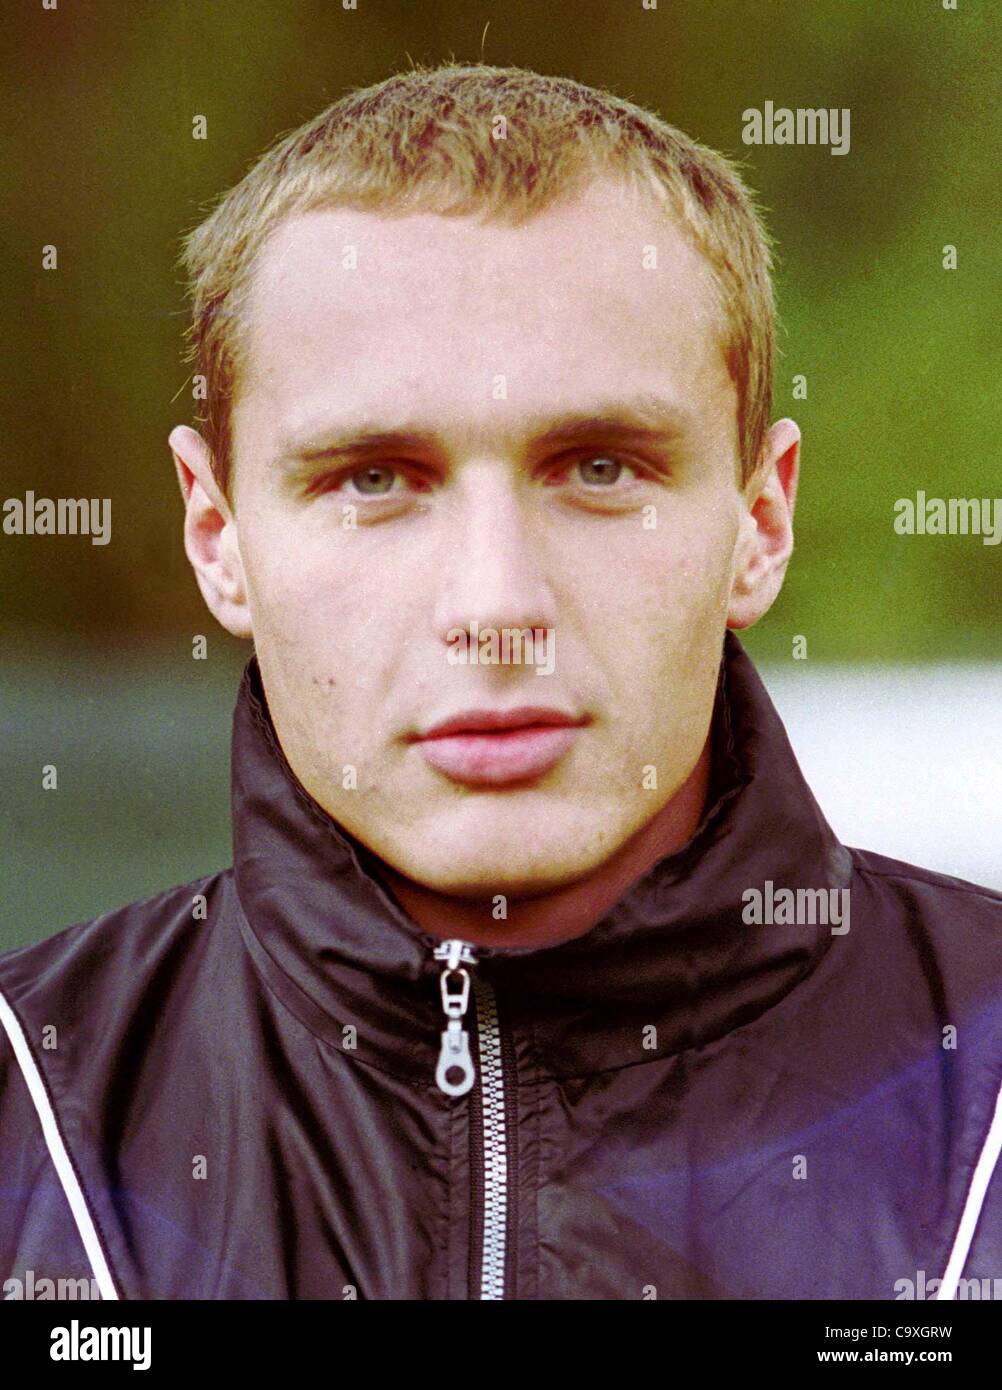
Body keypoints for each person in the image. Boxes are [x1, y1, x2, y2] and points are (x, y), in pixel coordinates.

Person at [2, 64, 1000, 1302]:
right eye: (373, 479)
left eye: (599, 468)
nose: (493, 607)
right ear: (217, 535)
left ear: (761, 520)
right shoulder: (27, 1108)